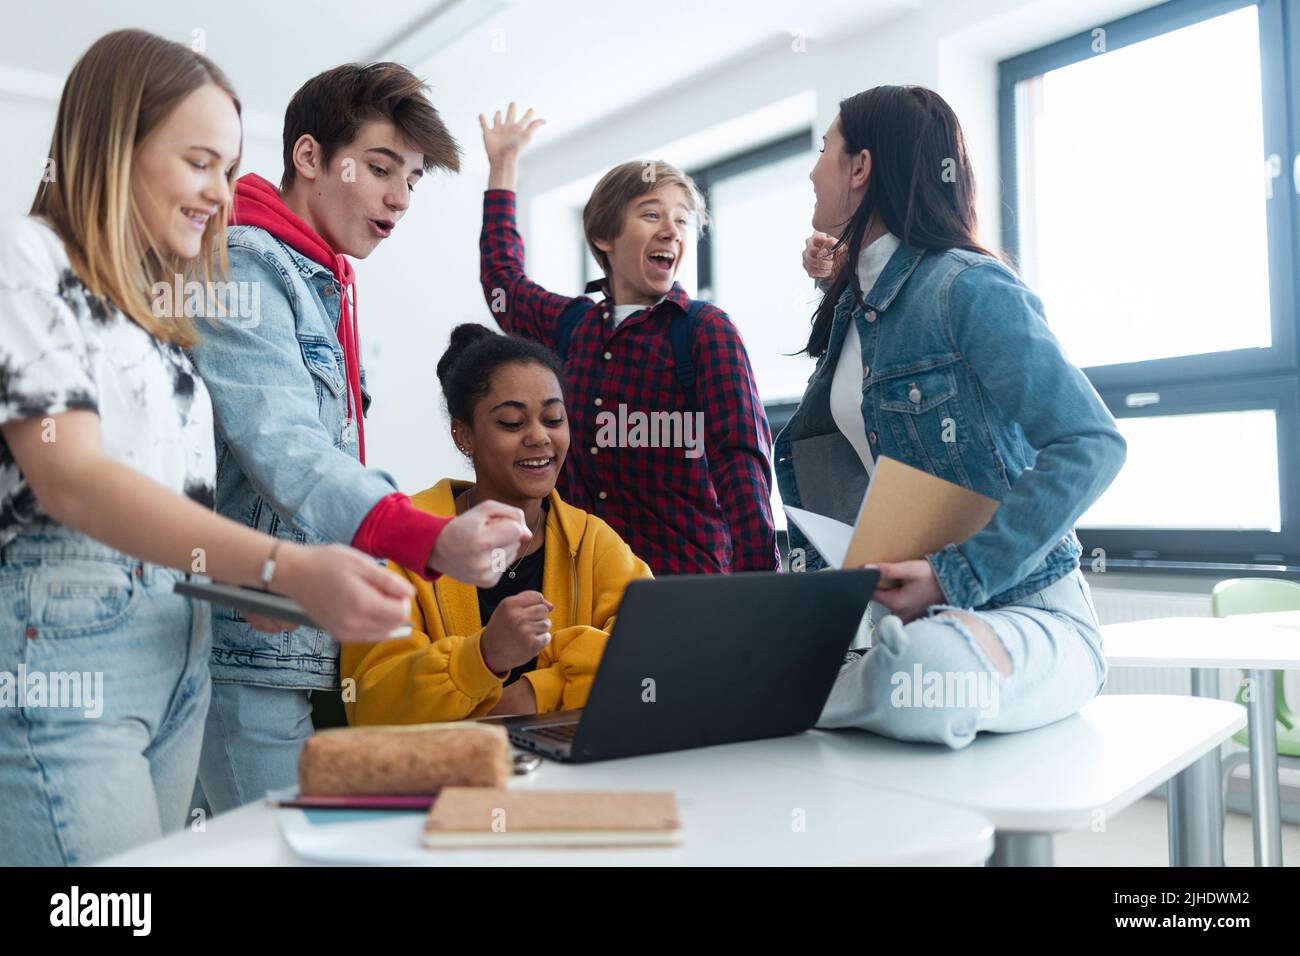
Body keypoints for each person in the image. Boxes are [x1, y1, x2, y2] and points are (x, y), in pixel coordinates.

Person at [0, 30, 414, 865]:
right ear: (114, 149)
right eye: (199, 163)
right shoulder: (26, 259)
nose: (222, 196)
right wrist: (280, 567)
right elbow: (72, 479)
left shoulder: (159, 326)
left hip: (179, 646)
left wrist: (238, 577)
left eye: (228, 170)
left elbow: (171, 516)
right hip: (66, 647)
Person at [188, 64, 531, 813]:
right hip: (250, 644)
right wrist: (427, 537)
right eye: (380, 168)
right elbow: (288, 450)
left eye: (410, 178)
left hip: (295, 637)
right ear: (309, 157)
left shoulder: (322, 278)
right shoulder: (249, 264)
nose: (399, 198)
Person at [781, 85, 1126, 748]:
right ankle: (817, 682)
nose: (812, 168)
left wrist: (953, 574)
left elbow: (1092, 442)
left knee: (925, 674)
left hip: (1026, 616)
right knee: (827, 654)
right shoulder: (857, 309)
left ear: (861, 167)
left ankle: (807, 693)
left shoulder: (968, 287)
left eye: (825, 149)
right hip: (910, 621)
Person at [479, 104, 779, 576]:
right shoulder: (575, 325)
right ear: (604, 235)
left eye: (682, 221)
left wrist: (762, 588)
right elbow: (503, 284)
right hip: (583, 596)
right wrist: (503, 167)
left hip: (680, 591)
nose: (671, 231)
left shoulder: (705, 330)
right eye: (652, 213)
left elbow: (742, 462)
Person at [343, 324, 652, 724]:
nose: (540, 437)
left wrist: (537, 692)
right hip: (447, 778)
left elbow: (656, 655)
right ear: (463, 435)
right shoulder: (400, 538)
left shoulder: (592, 543)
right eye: (512, 423)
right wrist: (484, 656)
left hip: (567, 776)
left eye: (554, 419)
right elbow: (371, 702)